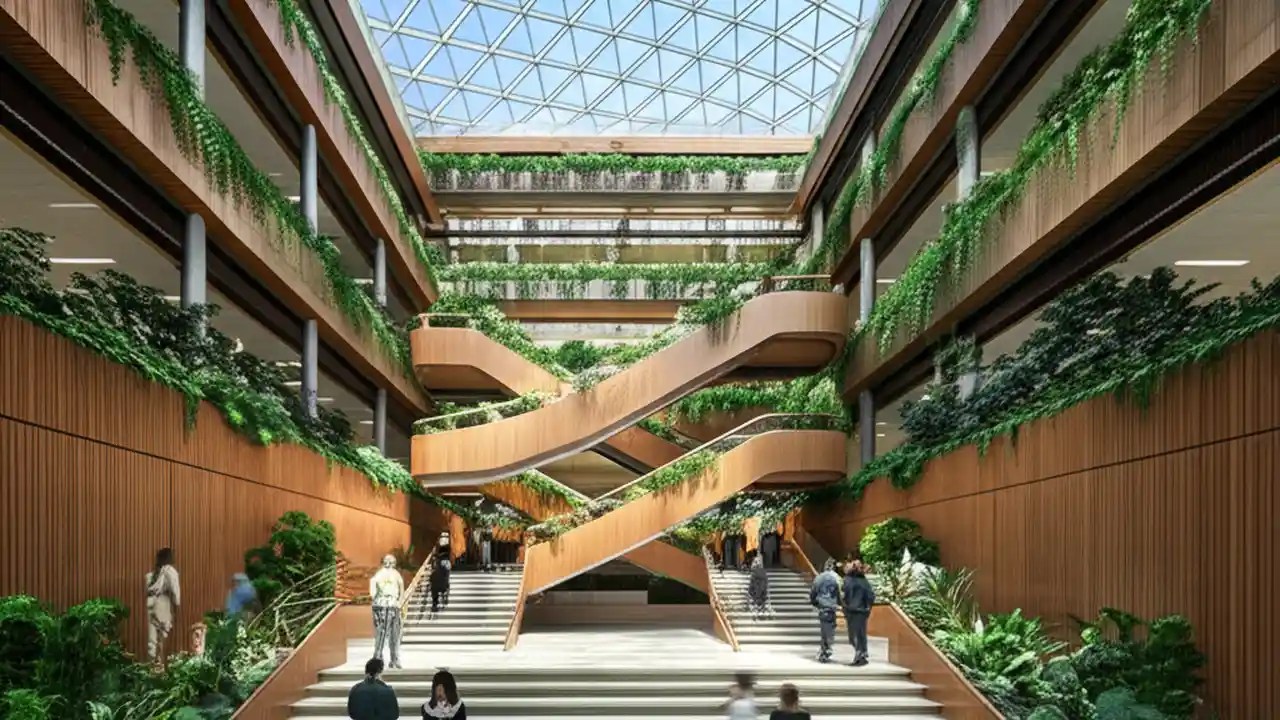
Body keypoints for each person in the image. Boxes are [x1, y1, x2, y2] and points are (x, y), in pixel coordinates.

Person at [145, 547, 181, 664]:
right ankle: (161, 667)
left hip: (151, 603)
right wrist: (176, 604)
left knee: (152, 640)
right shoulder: (170, 571)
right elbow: (175, 591)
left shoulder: (151, 575)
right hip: (164, 603)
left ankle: (152, 667)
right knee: (162, 639)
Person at [370, 554, 405, 669]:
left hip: (384, 605)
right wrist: (399, 602)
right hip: (389, 605)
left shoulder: (380, 574)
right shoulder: (393, 574)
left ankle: (382, 657)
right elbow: (401, 589)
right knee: (390, 633)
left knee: (385, 633)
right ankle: (389, 658)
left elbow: (373, 592)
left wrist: (375, 601)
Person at [842, 559, 876, 666]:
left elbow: (844, 595)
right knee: (861, 633)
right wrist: (867, 607)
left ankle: (860, 654)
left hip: (852, 610)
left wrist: (845, 606)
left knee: (853, 635)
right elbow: (871, 596)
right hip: (861, 611)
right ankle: (862, 654)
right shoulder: (864, 581)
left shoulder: (848, 580)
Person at [809, 557, 842, 663]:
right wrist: (841, 604)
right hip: (831, 606)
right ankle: (826, 649)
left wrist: (814, 602)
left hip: (822, 606)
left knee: (824, 629)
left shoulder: (819, 578)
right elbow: (840, 593)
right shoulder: (836, 578)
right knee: (829, 629)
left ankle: (825, 649)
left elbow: (813, 592)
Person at [747, 554, 771, 620]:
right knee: (760, 596)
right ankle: (761, 609)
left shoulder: (756, 572)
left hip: (759, 587)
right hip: (760, 587)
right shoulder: (762, 572)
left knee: (757, 595)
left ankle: (758, 609)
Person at [429, 549, 452, 615]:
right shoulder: (448, 564)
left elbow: (431, 578)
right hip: (444, 586)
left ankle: (435, 604)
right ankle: (446, 596)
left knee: (433, 589)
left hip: (436, 587)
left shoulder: (436, 568)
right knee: (447, 584)